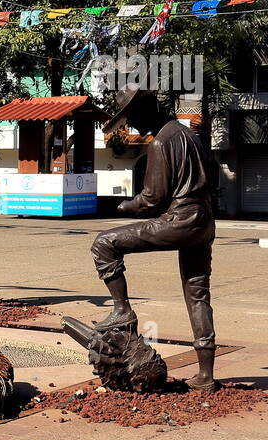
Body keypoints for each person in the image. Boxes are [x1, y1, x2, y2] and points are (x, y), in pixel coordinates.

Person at [90, 89, 218, 390]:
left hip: (181, 219)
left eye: (132, 116)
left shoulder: (162, 140)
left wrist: (120, 205)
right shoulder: (187, 134)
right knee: (198, 294)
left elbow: (152, 199)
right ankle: (206, 375)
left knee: (104, 244)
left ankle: (122, 309)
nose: (131, 124)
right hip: (203, 220)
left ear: (147, 110)